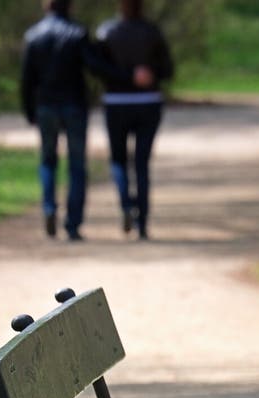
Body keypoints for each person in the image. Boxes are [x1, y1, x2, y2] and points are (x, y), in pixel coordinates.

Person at [95, 0, 174, 239]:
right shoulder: (152, 31)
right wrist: (149, 75)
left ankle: (126, 205)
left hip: (116, 103)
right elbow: (168, 69)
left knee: (118, 160)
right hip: (148, 103)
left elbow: (98, 67)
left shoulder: (106, 32)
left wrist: (125, 76)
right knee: (141, 163)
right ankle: (143, 223)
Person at [20, 0, 95, 241]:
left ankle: (49, 208)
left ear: (47, 6)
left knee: (48, 160)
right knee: (77, 165)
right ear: (69, 6)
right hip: (74, 106)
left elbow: (27, 79)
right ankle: (73, 224)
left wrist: (29, 110)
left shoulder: (33, 35)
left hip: (46, 106)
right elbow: (94, 66)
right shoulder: (78, 33)